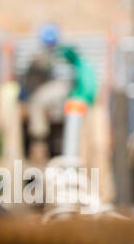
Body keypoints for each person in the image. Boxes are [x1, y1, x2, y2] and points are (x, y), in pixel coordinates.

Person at [23, 23, 96, 166]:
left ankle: (39, 144)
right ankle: (40, 144)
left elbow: (62, 79)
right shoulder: (49, 54)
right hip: (58, 92)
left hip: (62, 91)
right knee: (38, 101)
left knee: (37, 101)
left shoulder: (62, 54)